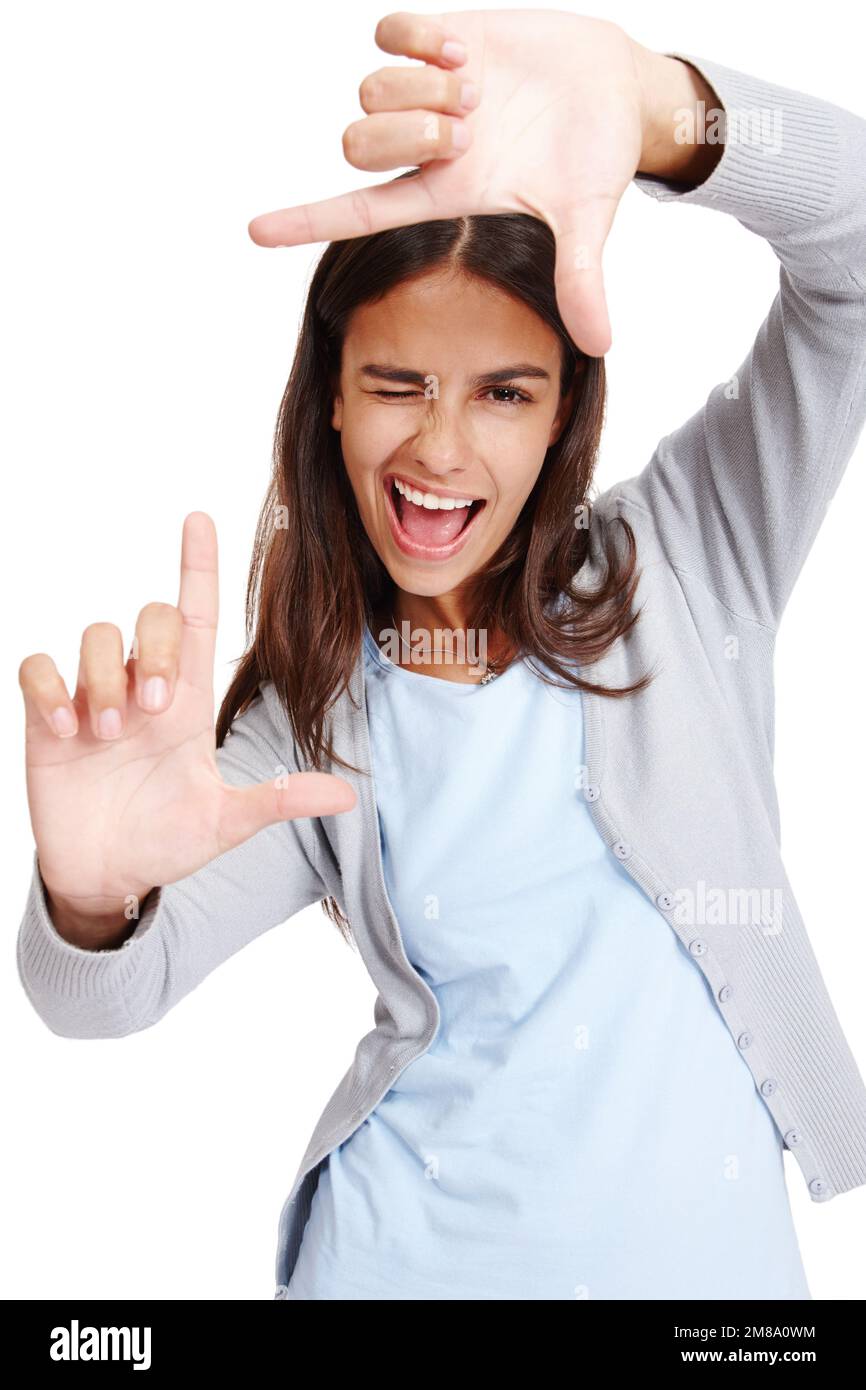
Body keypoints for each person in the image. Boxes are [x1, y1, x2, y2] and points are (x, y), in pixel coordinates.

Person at [17, 11, 866, 1299]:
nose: (443, 451)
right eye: (400, 383)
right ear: (333, 396)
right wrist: (87, 902)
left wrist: (656, 108)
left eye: (504, 391)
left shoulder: (695, 554)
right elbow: (98, 1005)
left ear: (567, 407)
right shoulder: (313, 725)